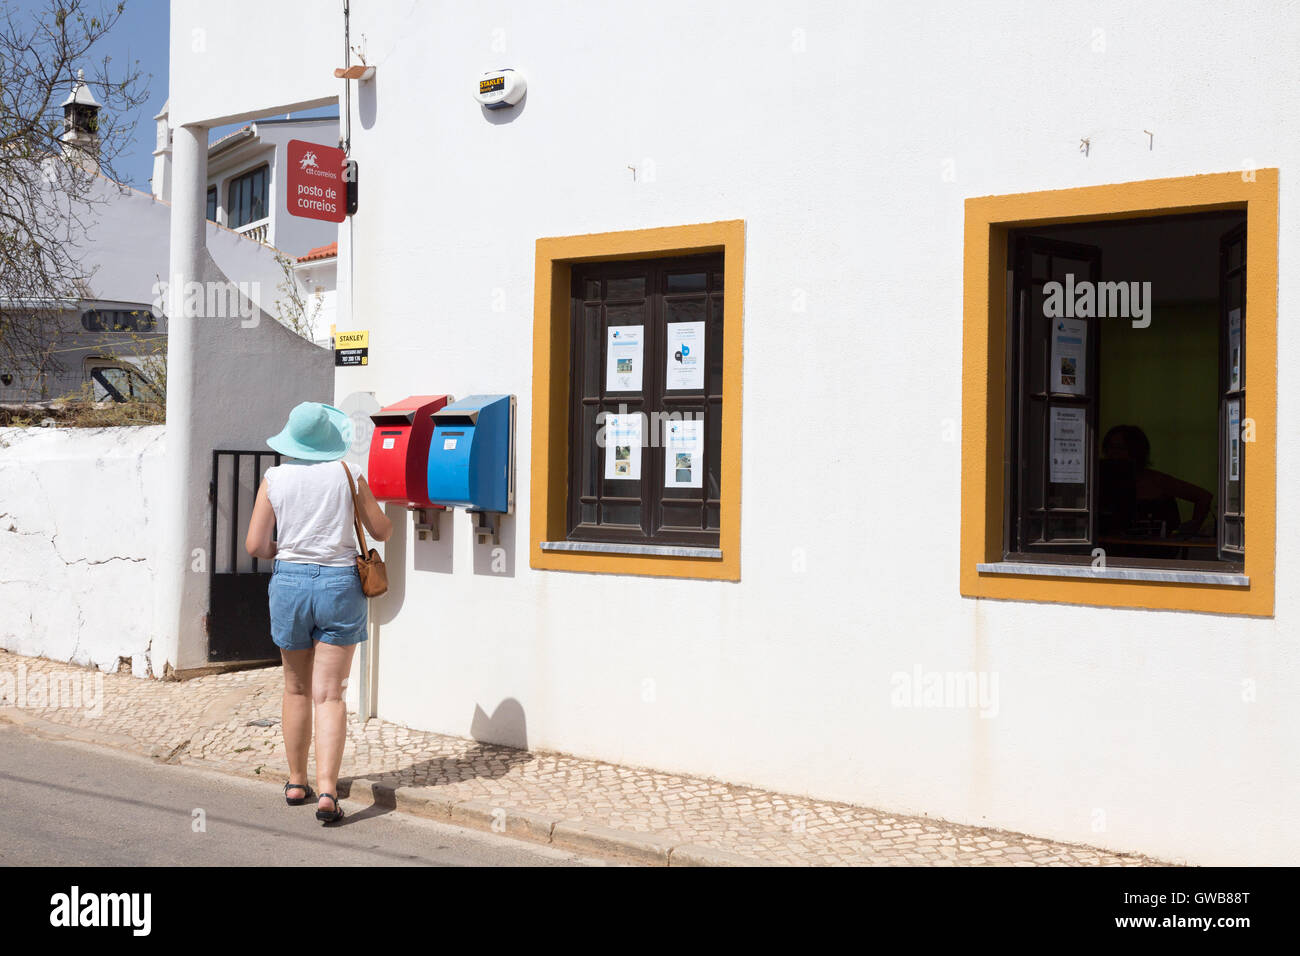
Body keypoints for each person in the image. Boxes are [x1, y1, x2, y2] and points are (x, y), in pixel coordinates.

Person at [244, 402, 392, 825]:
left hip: (289, 583)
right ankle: (328, 790)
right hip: (338, 585)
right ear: (332, 440)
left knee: (295, 689)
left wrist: (285, 553)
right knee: (330, 694)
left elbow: (255, 545)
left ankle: (295, 782)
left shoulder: (275, 477)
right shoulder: (349, 474)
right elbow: (381, 530)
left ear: (292, 439)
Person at [1099, 424, 1212, 537]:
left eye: (1119, 448)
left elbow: (1203, 496)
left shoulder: (1156, 480)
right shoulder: (1101, 480)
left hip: (1154, 549)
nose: (1112, 453)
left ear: (1135, 451)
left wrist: (1190, 529)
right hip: (1112, 547)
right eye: (1109, 447)